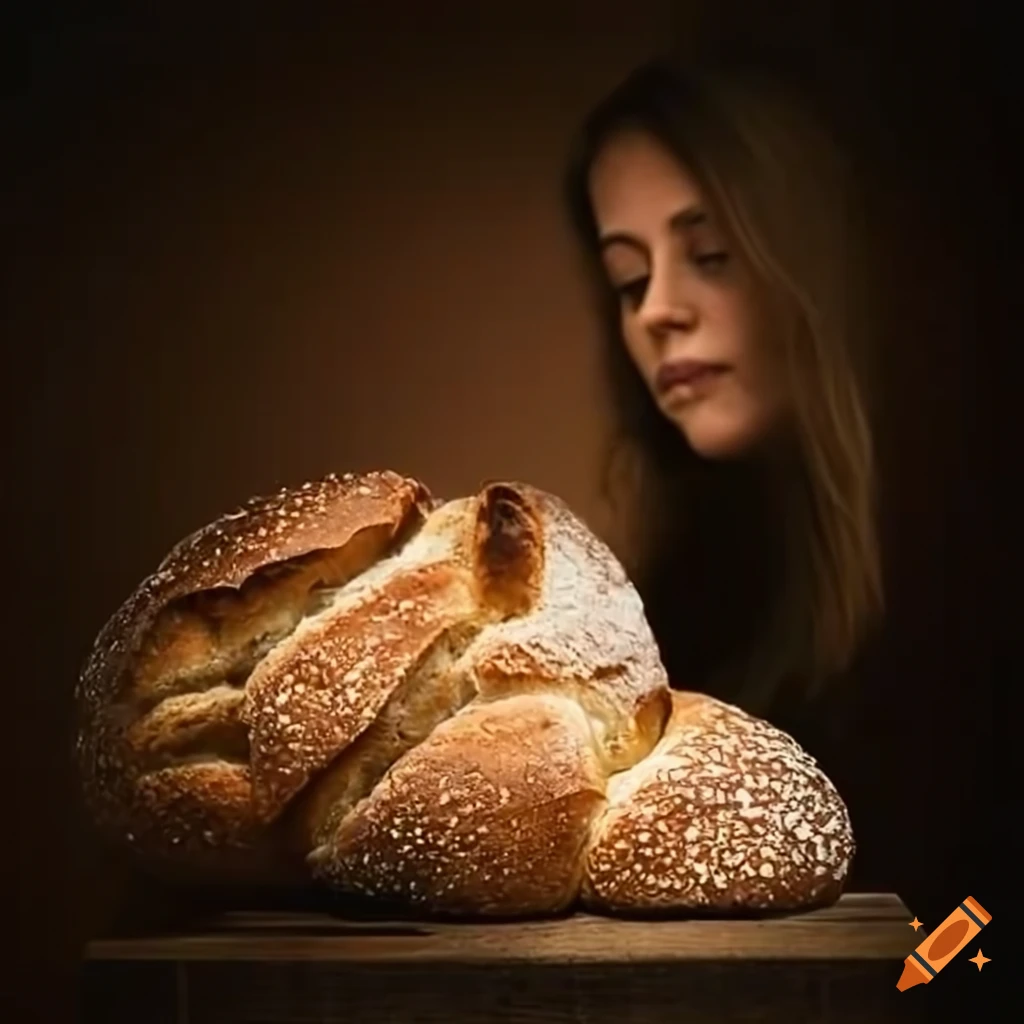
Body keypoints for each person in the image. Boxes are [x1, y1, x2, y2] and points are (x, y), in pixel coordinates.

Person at [562, 56, 883, 723]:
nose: (656, 311)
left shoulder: (968, 595)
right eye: (629, 279)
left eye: (709, 256)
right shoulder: (664, 625)